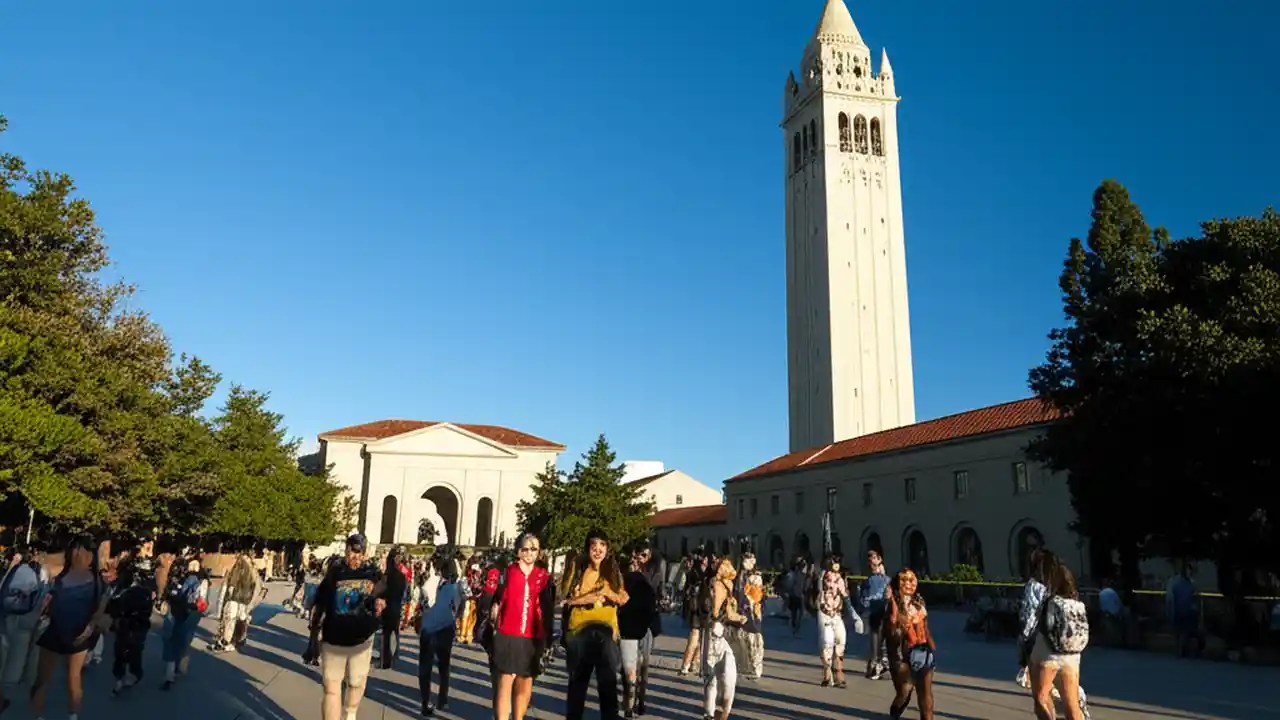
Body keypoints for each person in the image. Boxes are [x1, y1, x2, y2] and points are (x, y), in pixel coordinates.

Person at [304, 534, 387, 720]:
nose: (354, 557)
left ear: (365, 554)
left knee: (356, 683)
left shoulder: (374, 574)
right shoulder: (335, 573)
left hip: (362, 640)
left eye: (359, 553)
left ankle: (350, 714)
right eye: (351, 552)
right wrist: (314, 631)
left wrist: (381, 604)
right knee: (331, 688)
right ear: (346, 551)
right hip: (334, 638)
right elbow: (320, 602)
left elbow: (386, 597)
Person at [29, 535, 111, 720]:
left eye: (81, 551)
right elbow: (98, 614)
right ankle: (70, 716)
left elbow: (47, 606)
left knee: (45, 680)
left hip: (61, 631)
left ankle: (40, 716)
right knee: (70, 679)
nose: (77, 554)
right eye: (76, 550)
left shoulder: (60, 575)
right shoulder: (98, 582)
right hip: (75, 633)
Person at [562, 530, 628, 720]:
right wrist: (587, 598)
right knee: (577, 682)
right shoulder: (579, 570)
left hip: (606, 630)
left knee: (607, 683)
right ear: (587, 549)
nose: (598, 550)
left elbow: (622, 598)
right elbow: (566, 600)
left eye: (602, 546)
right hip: (580, 630)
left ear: (607, 549)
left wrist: (608, 593)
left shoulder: (613, 572)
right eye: (594, 546)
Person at [1017, 550, 1091, 719]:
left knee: (1041, 698)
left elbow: (1027, 621)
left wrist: (1024, 649)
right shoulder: (1066, 582)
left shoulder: (1035, 585)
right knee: (1071, 703)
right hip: (1071, 652)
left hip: (1045, 650)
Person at [492, 533, 554, 720]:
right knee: (505, 678)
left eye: (533, 549)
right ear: (518, 551)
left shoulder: (543, 577)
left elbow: (548, 609)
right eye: (525, 549)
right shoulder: (507, 572)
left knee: (525, 680)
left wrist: (548, 637)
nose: (529, 553)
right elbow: (496, 598)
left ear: (539, 552)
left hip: (533, 635)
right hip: (507, 633)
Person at [0, 544, 50, 713]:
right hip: (26, 619)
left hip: (15, 618)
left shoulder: (17, 570)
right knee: (20, 652)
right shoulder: (35, 571)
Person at [884, 568, 935, 720]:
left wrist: (931, 645)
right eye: (904, 580)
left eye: (912, 580)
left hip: (922, 650)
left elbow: (925, 626)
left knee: (926, 696)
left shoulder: (919, 602)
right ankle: (894, 715)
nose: (909, 584)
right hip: (901, 655)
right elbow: (891, 632)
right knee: (905, 691)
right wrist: (891, 601)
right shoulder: (891, 604)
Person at [418, 555, 465, 717]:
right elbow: (462, 605)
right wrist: (455, 617)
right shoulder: (457, 587)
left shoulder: (432, 582)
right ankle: (442, 698)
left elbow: (423, 600)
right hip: (446, 627)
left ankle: (426, 702)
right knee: (444, 665)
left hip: (429, 628)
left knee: (426, 666)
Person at [702, 557, 746, 720]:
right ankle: (711, 714)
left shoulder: (724, 585)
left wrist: (738, 618)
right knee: (712, 676)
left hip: (720, 634)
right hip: (712, 634)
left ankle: (718, 713)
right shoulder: (715, 585)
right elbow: (712, 611)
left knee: (723, 675)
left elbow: (726, 612)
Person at [618, 544, 658, 719]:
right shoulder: (620, 577)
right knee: (628, 669)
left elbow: (656, 593)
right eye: (632, 557)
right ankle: (628, 704)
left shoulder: (651, 574)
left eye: (640, 556)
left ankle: (640, 700)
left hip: (647, 626)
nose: (635, 560)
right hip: (627, 627)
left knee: (644, 667)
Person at [105, 558, 153, 696]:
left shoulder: (124, 591)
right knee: (133, 652)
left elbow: (112, 607)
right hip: (137, 626)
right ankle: (131, 675)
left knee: (122, 651)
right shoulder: (144, 592)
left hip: (127, 625)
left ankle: (122, 677)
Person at [160, 556, 209, 690]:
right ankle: (180, 665)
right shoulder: (201, 580)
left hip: (177, 609)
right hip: (190, 612)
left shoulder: (182, 578)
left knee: (171, 639)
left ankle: (172, 669)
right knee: (184, 639)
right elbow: (202, 601)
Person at [212, 546, 261, 653]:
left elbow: (234, 578)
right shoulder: (252, 566)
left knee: (230, 618)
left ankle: (225, 641)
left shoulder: (240, 563)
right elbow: (256, 585)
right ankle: (236, 640)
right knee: (240, 619)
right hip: (246, 598)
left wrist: (231, 589)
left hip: (236, 596)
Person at [815, 553, 850, 688]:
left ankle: (839, 671)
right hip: (824, 613)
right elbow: (816, 592)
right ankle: (827, 671)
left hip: (837, 613)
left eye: (838, 562)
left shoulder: (841, 578)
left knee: (841, 640)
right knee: (827, 641)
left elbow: (845, 595)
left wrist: (852, 612)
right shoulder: (822, 577)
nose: (836, 564)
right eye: (834, 562)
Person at [857, 549, 890, 679]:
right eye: (870, 560)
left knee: (883, 640)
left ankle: (880, 664)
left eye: (874, 559)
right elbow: (863, 598)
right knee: (875, 640)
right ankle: (874, 665)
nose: (872, 562)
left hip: (884, 612)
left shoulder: (886, 579)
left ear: (880, 559)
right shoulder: (868, 581)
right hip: (874, 613)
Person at [734, 552, 766, 681]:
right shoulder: (739, 576)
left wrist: (750, 601)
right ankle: (744, 665)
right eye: (747, 561)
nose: (749, 563)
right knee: (741, 638)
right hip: (741, 609)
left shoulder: (755, 577)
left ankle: (755, 667)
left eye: (751, 561)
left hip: (752, 610)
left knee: (754, 638)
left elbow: (758, 595)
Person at [679, 552, 711, 675]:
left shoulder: (708, 574)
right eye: (703, 560)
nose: (705, 563)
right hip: (696, 610)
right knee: (694, 637)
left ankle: (695, 663)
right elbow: (689, 591)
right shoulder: (694, 573)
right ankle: (686, 665)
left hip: (705, 609)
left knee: (700, 640)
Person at [378, 547, 408, 669]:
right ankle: (394, 655)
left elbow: (381, 590)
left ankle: (385, 660)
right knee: (394, 631)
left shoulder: (387, 575)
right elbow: (404, 592)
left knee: (386, 633)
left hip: (388, 604)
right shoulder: (402, 576)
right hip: (397, 604)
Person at [1166, 563, 1202, 658]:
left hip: (1185, 611)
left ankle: (1181, 650)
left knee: (1183, 631)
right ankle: (1181, 650)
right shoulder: (1181, 583)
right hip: (1182, 610)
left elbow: (1195, 598)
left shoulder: (1188, 583)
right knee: (1181, 631)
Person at [786, 558, 808, 636]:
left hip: (799, 596)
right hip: (795, 595)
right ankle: (794, 627)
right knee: (795, 613)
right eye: (803, 566)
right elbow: (790, 585)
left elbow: (804, 586)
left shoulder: (803, 575)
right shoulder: (794, 574)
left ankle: (796, 628)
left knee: (799, 613)